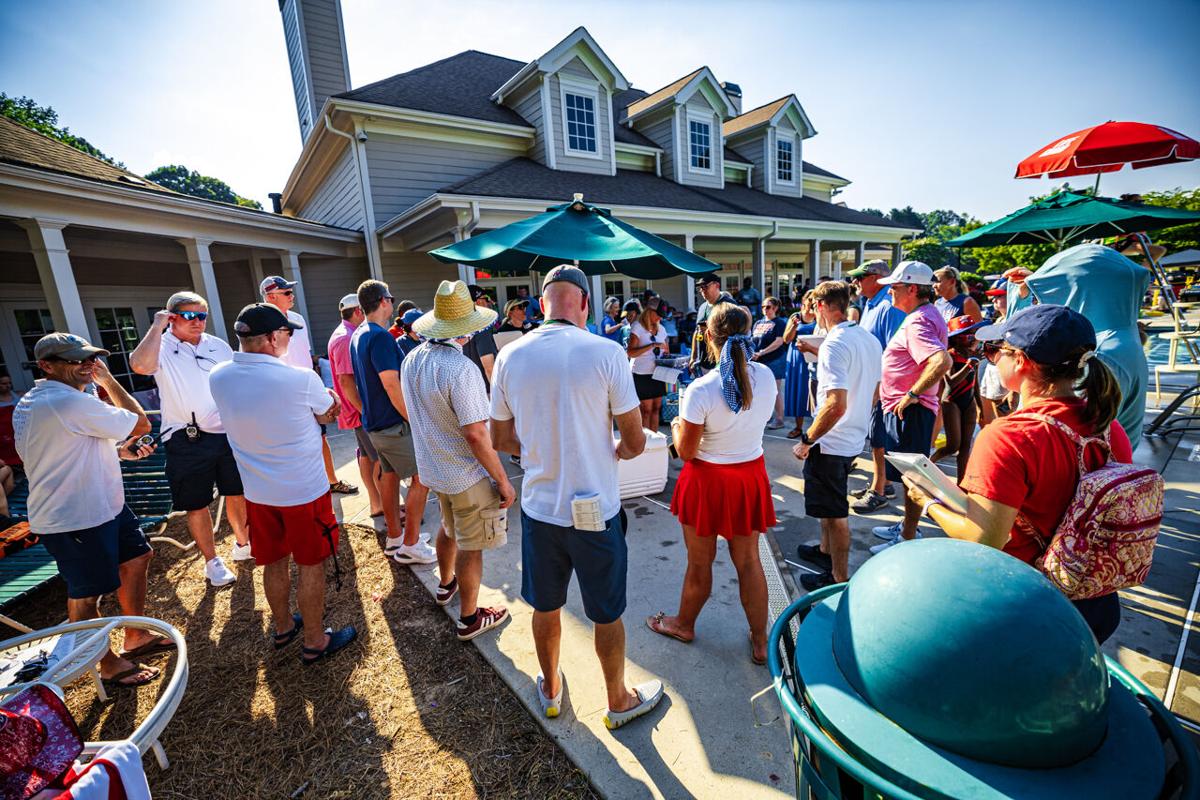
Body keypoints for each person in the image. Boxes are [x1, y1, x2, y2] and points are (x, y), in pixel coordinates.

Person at [490, 264, 664, 729]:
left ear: (540, 302)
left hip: (540, 509)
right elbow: (635, 441)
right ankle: (617, 700)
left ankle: (550, 689)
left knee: (545, 605)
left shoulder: (511, 355)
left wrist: (539, 450)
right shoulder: (606, 352)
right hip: (595, 510)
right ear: (585, 303)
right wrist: (611, 451)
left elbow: (500, 438)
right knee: (606, 613)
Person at [905, 305, 1131, 645]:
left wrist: (928, 500)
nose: (993, 359)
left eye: (996, 350)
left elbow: (983, 541)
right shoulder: (1109, 427)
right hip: (1095, 600)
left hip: (1028, 605)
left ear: (1022, 361)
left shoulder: (1008, 437)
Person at [13, 333, 165, 688]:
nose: (86, 365)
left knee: (137, 557)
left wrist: (118, 452)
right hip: (74, 516)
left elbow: (61, 448)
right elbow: (140, 423)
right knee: (86, 594)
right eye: (74, 360)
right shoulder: (65, 401)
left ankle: (136, 635)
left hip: (104, 505)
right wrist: (108, 380)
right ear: (46, 366)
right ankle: (107, 664)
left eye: (90, 358)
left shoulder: (40, 400)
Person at [210, 304, 357, 664]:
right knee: (310, 563)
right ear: (273, 338)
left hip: (258, 491)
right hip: (303, 490)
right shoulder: (299, 378)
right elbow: (329, 411)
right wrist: (328, 401)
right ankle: (314, 640)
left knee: (273, 562)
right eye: (287, 333)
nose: (289, 340)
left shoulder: (218, 375)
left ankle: (282, 627)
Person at [648, 303, 776, 665]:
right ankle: (760, 641)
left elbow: (686, 452)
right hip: (748, 477)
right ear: (748, 333)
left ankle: (683, 624)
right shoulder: (766, 376)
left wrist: (676, 427)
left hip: (706, 481)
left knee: (699, 563)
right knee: (749, 562)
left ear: (707, 336)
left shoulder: (702, 389)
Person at [402, 281, 515, 640]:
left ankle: (445, 583)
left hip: (434, 467)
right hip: (465, 472)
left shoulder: (412, 358)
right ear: (466, 328)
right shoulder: (461, 368)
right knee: (471, 543)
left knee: (449, 527)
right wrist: (503, 480)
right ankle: (469, 617)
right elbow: (476, 434)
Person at [128, 291, 248, 586]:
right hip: (186, 436)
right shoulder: (160, 345)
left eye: (202, 316)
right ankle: (212, 562)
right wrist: (157, 326)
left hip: (226, 432)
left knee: (238, 491)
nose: (197, 321)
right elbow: (140, 366)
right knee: (197, 503)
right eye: (189, 316)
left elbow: (236, 380)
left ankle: (244, 544)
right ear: (172, 317)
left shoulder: (217, 345)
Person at [790, 282, 882, 590]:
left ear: (821, 306)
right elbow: (874, 393)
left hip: (831, 441)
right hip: (851, 437)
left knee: (836, 512)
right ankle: (825, 551)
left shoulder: (833, 344)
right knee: (828, 506)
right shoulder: (869, 339)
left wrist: (807, 440)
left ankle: (838, 577)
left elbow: (835, 404)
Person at [1025, 243, 1151, 445]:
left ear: (1078, 292)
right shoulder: (1121, 336)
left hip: (1088, 463)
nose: (1043, 305)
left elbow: (1069, 432)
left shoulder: (1099, 353)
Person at [351, 280, 438, 565]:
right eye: (390, 297)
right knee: (422, 478)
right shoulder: (380, 337)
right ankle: (411, 545)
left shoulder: (359, 334)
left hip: (375, 424)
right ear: (383, 301)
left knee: (389, 477)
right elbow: (390, 383)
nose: (392, 301)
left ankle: (395, 538)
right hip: (393, 425)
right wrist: (415, 419)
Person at [870, 262, 952, 554]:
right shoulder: (924, 315)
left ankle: (907, 536)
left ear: (912, 289)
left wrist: (912, 393)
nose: (889, 292)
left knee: (912, 478)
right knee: (909, 477)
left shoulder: (918, 321)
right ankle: (908, 525)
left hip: (910, 411)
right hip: (909, 409)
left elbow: (941, 361)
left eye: (894, 287)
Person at [262, 275, 355, 495]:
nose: (292, 295)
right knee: (293, 446)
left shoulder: (298, 319)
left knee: (320, 436)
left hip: (308, 391)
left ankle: (331, 481)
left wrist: (317, 384)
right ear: (270, 296)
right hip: (281, 397)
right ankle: (302, 491)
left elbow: (306, 355)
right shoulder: (260, 321)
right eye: (286, 292)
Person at [849, 260, 917, 513]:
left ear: (876, 278)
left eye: (860, 277)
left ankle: (879, 491)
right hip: (874, 382)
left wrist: (880, 386)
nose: (855, 282)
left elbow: (893, 350)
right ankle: (883, 483)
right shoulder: (871, 304)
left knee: (879, 438)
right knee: (876, 437)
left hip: (884, 385)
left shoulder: (888, 306)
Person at [327, 294, 385, 520]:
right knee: (380, 459)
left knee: (367, 456)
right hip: (360, 412)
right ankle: (385, 507)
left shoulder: (347, 333)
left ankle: (377, 504)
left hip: (358, 411)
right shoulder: (345, 338)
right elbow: (345, 381)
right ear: (359, 311)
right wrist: (366, 411)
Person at [929, 315, 985, 479]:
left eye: (973, 335)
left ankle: (962, 485)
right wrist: (969, 365)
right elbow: (951, 382)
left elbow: (975, 383)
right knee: (953, 446)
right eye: (968, 336)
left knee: (966, 448)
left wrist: (980, 406)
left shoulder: (972, 355)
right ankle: (929, 464)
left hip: (969, 403)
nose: (972, 339)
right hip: (951, 402)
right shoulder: (950, 355)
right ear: (957, 338)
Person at [627, 296, 670, 429]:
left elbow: (666, 350)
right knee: (646, 410)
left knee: (656, 408)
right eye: (658, 314)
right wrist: (652, 346)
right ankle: (645, 440)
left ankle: (655, 439)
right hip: (641, 373)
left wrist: (667, 357)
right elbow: (630, 352)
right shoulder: (637, 327)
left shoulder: (662, 329)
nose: (660, 318)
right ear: (650, 311)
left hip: (658, 373)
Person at [782, 293, 817, 438]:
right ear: (804, 301)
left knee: (814, 390)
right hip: (797, 358)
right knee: (799, 391)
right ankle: (798, 427)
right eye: (810, 301)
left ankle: (816, 429)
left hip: (814, 356)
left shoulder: (819, 316)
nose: (813, 304)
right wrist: (794, 327)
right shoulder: (795, 316)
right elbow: (786, 339)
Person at [750, 296, 788, 429]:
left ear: (775, 308)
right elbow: (752, 340)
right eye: (763, 307)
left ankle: (779, 419)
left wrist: (761, 353)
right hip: (759, 361)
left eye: (768, 307)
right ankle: (766, 416)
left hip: (775, 360)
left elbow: (779, 341)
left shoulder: (780, 323)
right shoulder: (758, 323)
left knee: (775, 390)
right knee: (761, 390)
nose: (764, 309)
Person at [979, 280, 1012, 426]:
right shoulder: (999, 319)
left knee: (1006, 417)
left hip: (1007, 371)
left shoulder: (1016, 319)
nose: (994, 300)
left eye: (999, 296)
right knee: (993, 418)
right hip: (992, 369)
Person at [689, 274, 734, 375]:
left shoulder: (729, 305)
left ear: (717, 285)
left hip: (723, 362)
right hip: (703, 362)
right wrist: (693, 357)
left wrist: (711, 329)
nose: (702, 290)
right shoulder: (702, 307)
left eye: (705, 286)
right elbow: (697, 332)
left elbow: (734, 335)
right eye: (700, 288)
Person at [463, 285, 500, 387]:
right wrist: (497, 393)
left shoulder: (460, 327)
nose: (489, 302)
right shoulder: (481, 326)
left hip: (469, 387)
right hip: (485, 389)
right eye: (486, 298)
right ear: (478, 302)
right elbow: (489, 367)